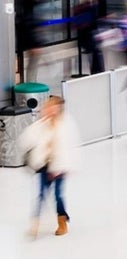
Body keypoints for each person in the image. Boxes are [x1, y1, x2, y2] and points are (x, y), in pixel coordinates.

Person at [19, 95, 80, 238]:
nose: (48, 110)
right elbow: (26, 140)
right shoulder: (40, 125)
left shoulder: (65, 125)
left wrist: (65, 166)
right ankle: (35, 225)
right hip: (43, 165)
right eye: (47, 108)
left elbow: (69, 148)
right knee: (40, 195)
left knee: (58, 196)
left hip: (59, 167)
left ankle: (62, 221)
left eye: (52, 108)